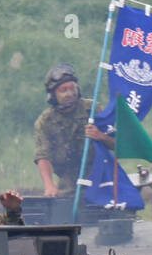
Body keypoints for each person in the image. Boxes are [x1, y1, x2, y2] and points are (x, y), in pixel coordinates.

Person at [33, 64, 115, 198]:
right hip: (68, 187)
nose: (69, 94)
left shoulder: (93, 110)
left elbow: (117, 144)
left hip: (101, 182)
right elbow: (42, 156)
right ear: (53, 95)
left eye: (72, 88)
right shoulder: (45, 121)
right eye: (63, 90)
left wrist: (100, 136)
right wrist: (49, 186)